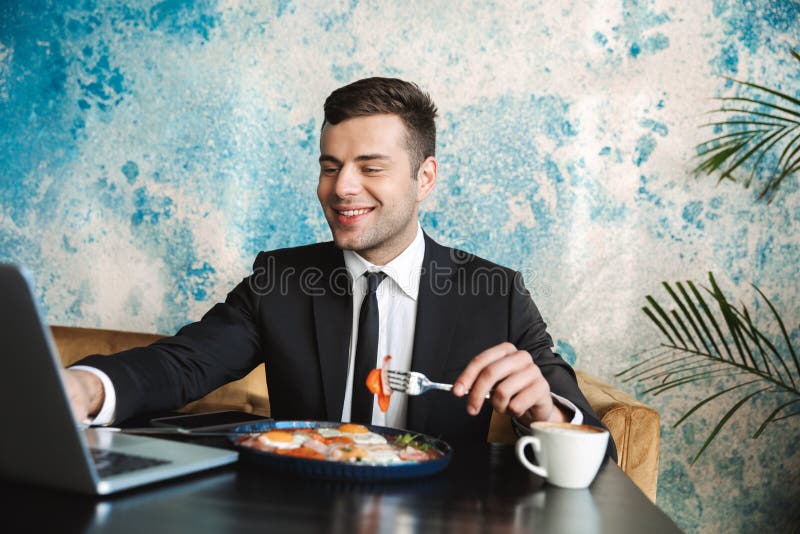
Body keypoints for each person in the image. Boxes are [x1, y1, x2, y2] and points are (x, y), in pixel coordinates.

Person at [63, 77, 616, 457]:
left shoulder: (494, 293)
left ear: (425, 178)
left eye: (370, 167)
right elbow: (183, 364)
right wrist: (86, 387)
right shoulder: (279, 281)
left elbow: (597, 446)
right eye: (331, 167)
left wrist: (547, 412)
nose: (342, 188)